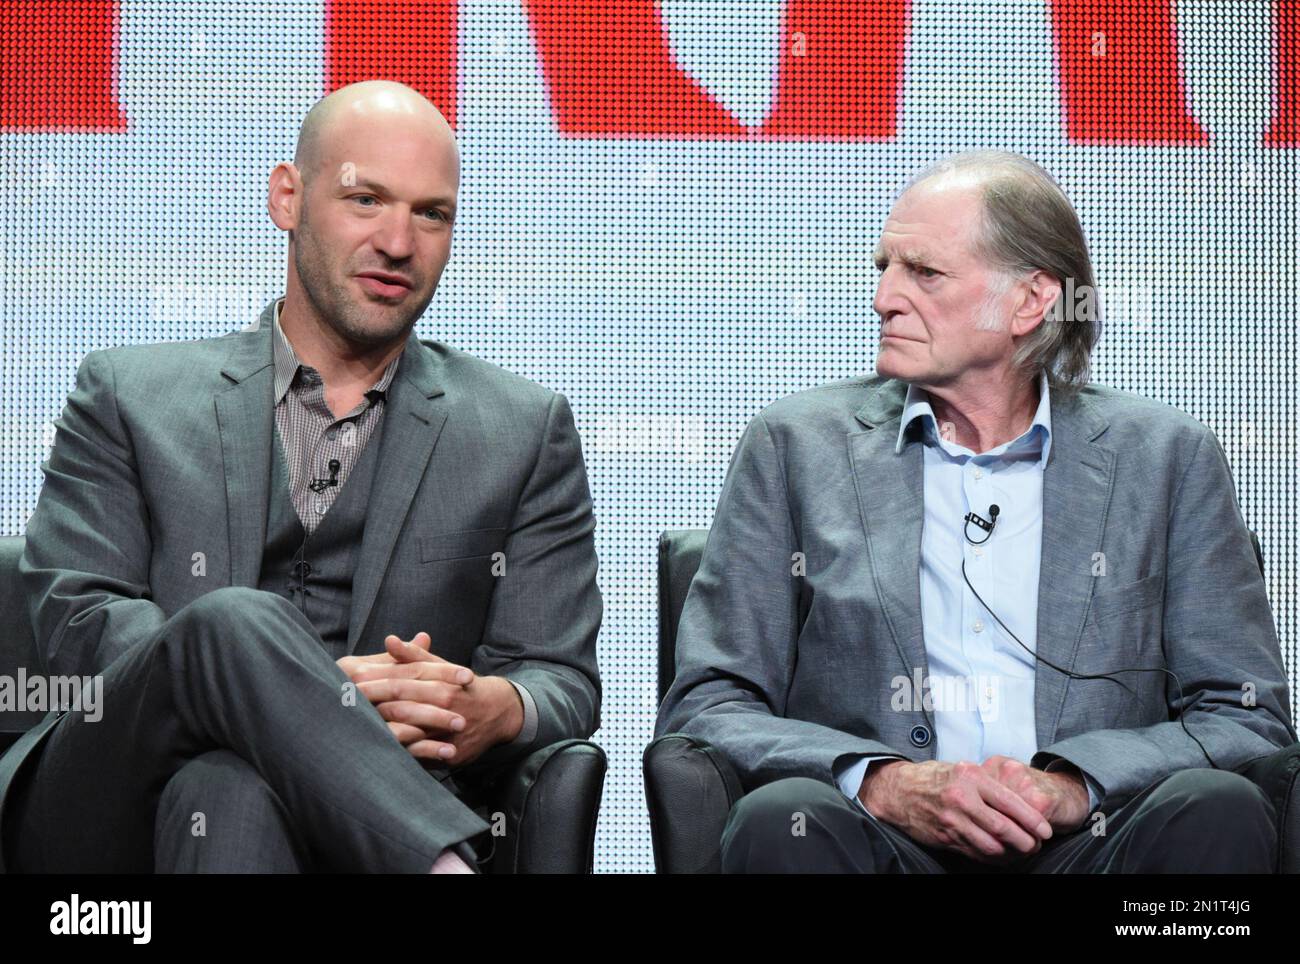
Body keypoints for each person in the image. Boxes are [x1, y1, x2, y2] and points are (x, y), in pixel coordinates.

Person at [0, 80, 602, 873]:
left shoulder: (522, 429)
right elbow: (78, 623)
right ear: (287, 198)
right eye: (365, 199)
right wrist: (290, 686)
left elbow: (559, 675)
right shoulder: (127, 394)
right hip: (111, 805)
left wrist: (499, 705)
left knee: (231, 793)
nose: (397, 241)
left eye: (431, 213)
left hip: (348, 820)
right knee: (227, 623)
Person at [655, 150, 1294, 873]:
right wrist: (885, 782)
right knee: (782, 820)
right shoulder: (794, 447)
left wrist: (1074, 785)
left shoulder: (1167, 459)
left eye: (924, 273)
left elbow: (1247, 717)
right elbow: (708, 706)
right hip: (883, 843)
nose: (884, 298)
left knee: (1218, 807)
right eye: (884, 268)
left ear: (1029, 301)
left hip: (1089, 844)